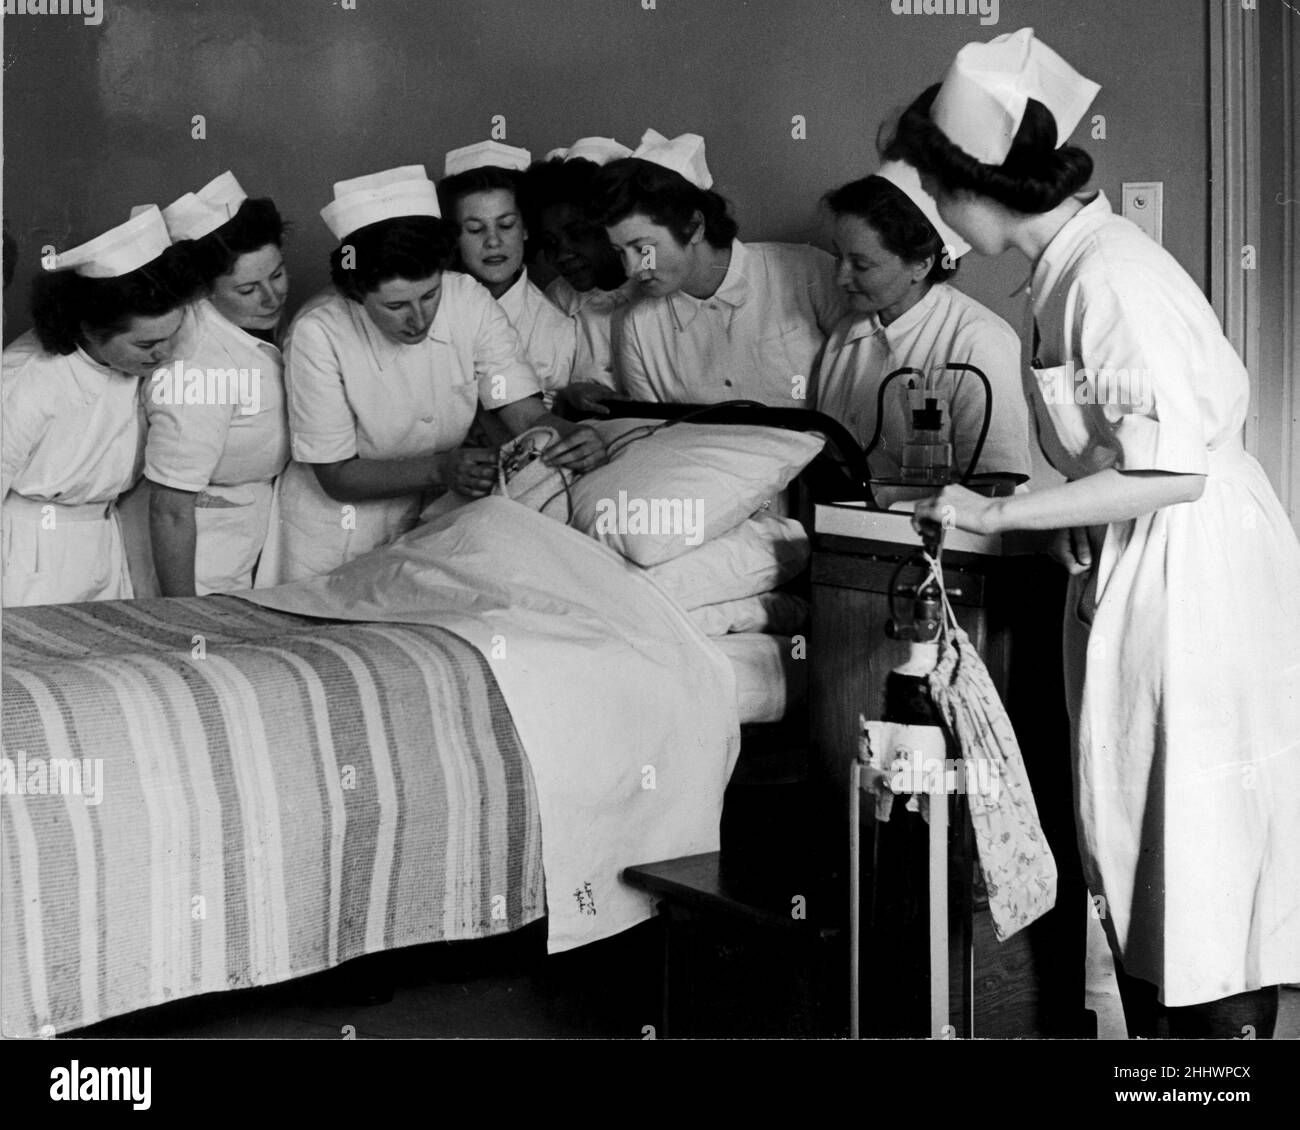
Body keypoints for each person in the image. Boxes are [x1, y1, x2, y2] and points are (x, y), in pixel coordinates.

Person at [897, 27, 1300, 1037]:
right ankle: (1175, 1058)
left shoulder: (1113, 274)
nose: (936, 214)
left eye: (937, 191)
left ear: (979, 183)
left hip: (1197, 570)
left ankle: (1212, 1063)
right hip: (1147, 557)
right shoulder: (1062, 276)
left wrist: (1001, 512)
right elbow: (1118, 458)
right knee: (1151, 851)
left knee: (1198, 857)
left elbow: (1168, 467)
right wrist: (1074, 521)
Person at [261, 165, 604, 584]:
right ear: (355, 292)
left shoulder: (468, 301)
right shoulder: (318, 331)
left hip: (430, 523)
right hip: (334, 531)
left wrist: (567, 434)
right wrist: (444, 469)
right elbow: (336, 475)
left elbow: (521, 411)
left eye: (429, 295)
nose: (418, 319)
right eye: (395, 306)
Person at [2, 207, 203, 606]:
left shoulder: (140, 364)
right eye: (146, 345)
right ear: (91, 328)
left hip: (103, 547)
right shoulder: (27, 381)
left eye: (172, 334)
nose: (164, 354)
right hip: (26, 556)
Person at [588, 129, 846, 407]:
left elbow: (857, 383)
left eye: (643, 249)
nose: (631, 269)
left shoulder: (804, 271)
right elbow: (653, 432)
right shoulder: (638, 326)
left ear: (694, 226)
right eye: (619, 252)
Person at [815, 162, 1031, 486]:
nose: (841, 277)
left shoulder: (978, 341)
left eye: (860, 264)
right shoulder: (845, 337)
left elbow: (996, 484)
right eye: (839, 257)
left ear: (920, 264)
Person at [140, 172, 290, 595]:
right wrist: (182, 614)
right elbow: (169, 509)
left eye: (276, 275)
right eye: (247, 289)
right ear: (202, 292)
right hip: (202, 555)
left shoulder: (247, 335)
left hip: (247, 533)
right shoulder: (197, 368)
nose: (271, 297)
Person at [438, 141, 576, 407]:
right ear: (453, 236)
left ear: (525, 229)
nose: (493, 241)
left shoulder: (557, 331)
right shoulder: (427, 302)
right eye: (476, 229)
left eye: (506, 225)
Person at [527, 138, 639, 404]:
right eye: (550, 243)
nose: (563, 255)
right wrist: (567, 397)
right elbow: (542, 395)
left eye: (578, 235)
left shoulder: (655, 289)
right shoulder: (558, 299)